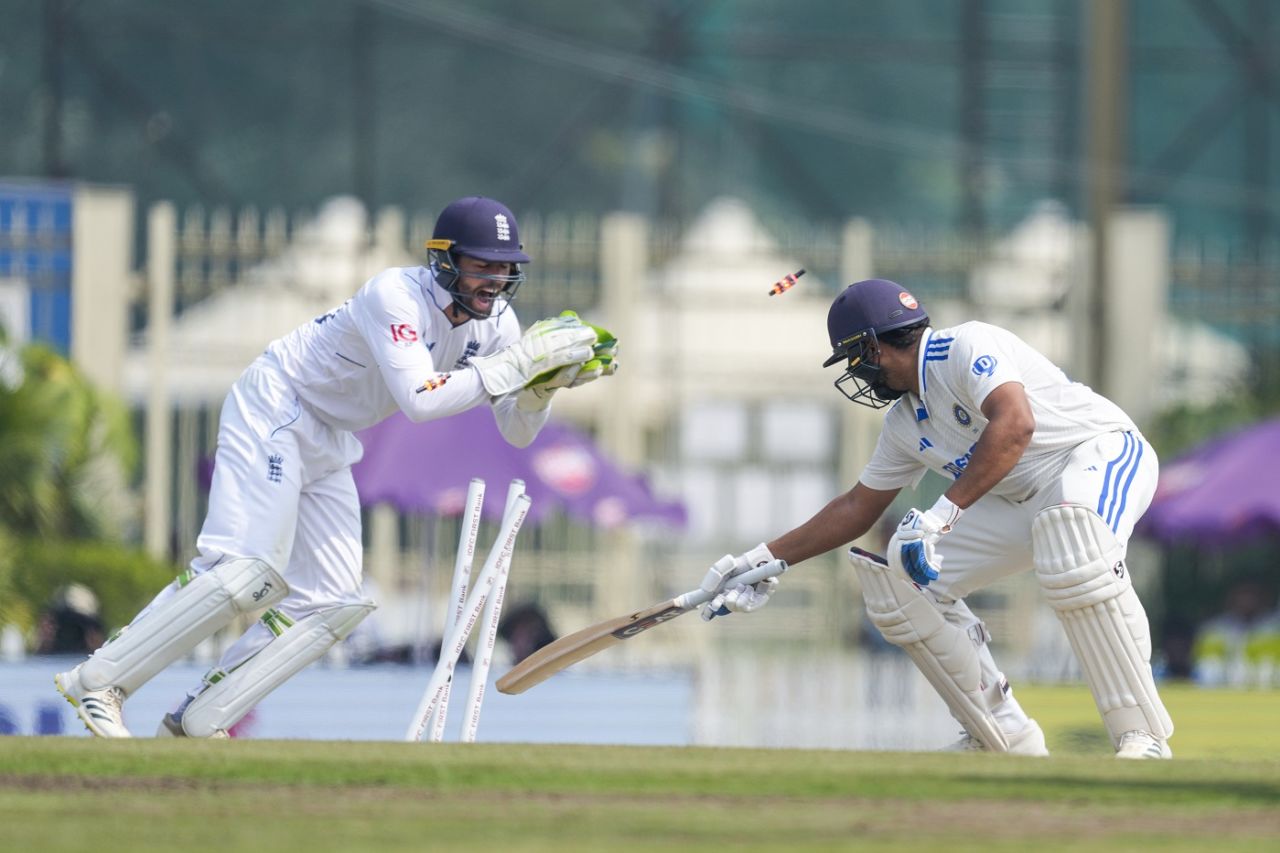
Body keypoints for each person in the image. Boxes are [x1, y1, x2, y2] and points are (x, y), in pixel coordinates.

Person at [55, 196, 617, 738]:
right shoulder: (394, 295)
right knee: (242, 569)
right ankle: (99, 681)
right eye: (480, 266)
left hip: (329, 436)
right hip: (277, 403)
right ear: (443, 259)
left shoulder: (499, 327)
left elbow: (516, 428)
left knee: (334, 602)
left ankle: (198, 718)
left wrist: (541, 388)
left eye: (504, 269)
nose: (493, 282)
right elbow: (421, 400)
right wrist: (513, 368)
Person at [697, 278, 1173, 759]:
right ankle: (1005, 736)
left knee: (1075, 547)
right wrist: (762, 561)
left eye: (855, 358)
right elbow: (857, 507)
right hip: (1022, 499)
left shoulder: (964, 347)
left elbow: (1015, 423)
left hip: (1100, 453)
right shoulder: (905, 421)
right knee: (906, 580)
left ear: (874, 344)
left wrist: (941, 514)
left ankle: (1143, 735)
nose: (857, 374)